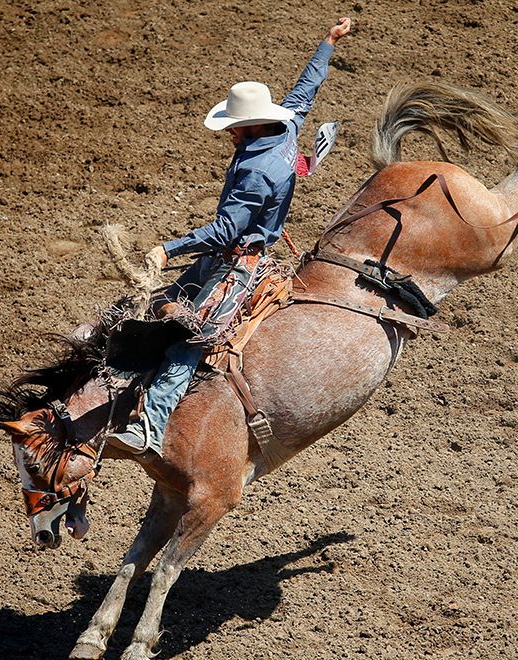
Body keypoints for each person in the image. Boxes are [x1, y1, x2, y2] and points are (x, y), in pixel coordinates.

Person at [108, 16, 353, 455]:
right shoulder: (289, 126)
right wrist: (328, 43)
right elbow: (306, 88)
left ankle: (151, 426)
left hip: (238, 263)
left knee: (190, 338)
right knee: (162, 307)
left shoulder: (258, 170)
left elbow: (226, 229)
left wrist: (168, 248)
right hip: (228, 254)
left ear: (254, 125)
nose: (229, 133)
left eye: (234, 127)